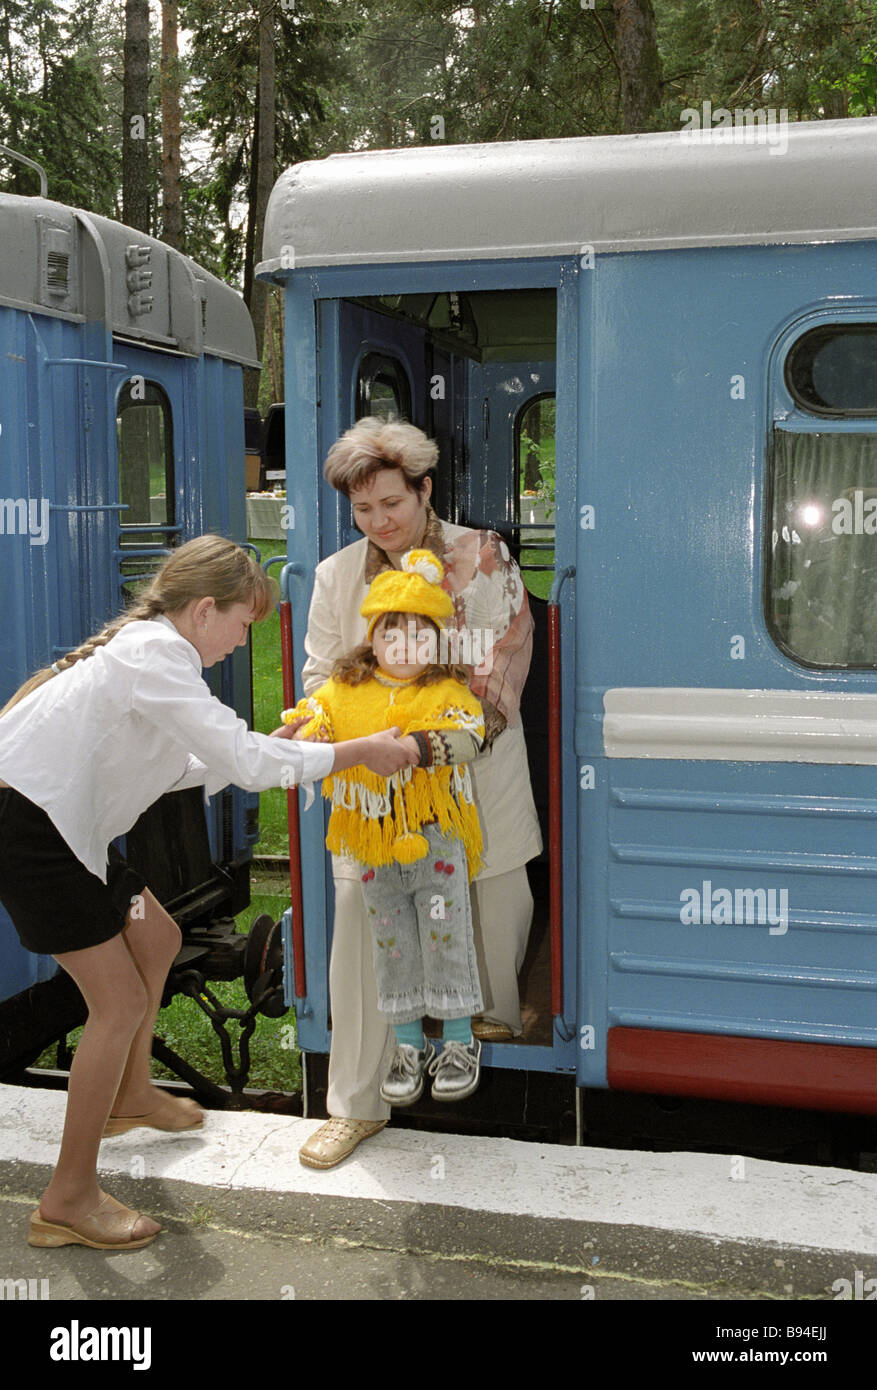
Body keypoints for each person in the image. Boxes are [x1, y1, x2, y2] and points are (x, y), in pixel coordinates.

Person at [0, 534, 415, 1251]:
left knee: (156, 936)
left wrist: (270, 742)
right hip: (35, 832)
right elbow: (248, 766)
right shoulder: (157, 656)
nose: (240, 638)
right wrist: (356, 752)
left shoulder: (152, 650)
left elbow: (189, 765)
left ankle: (129, 1096)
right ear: (203, 611)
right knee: (119, 1001)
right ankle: (67, 1199)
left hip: (62, 825)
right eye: (243, 621)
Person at [298, 417, 542, 1170]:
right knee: (364, 943)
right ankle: (356, 1105)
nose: (379, 523)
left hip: (475, 781)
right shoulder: (339, 576)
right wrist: (333, 730)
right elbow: (317, 674)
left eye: (391, 505)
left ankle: (490, 1074)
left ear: (424, 490)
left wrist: (431, 742)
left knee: (492, 932)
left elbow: (500, 678)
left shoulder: (484, 557)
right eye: (363, 510)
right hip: (376, 801)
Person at [285, 548, 486, 1105]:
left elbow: (472, 736)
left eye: (419, 634)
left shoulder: (447, 692)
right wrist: (312, 736)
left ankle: (458, 1039)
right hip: (375, 848)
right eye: (391, 633)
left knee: (445, 935)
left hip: (436, 841)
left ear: (438, 641)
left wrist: (421, 747)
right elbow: (313, 718)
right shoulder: (343, 690)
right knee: (392, 944)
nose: (404, 646)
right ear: (371, 638)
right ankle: (406, 1044)